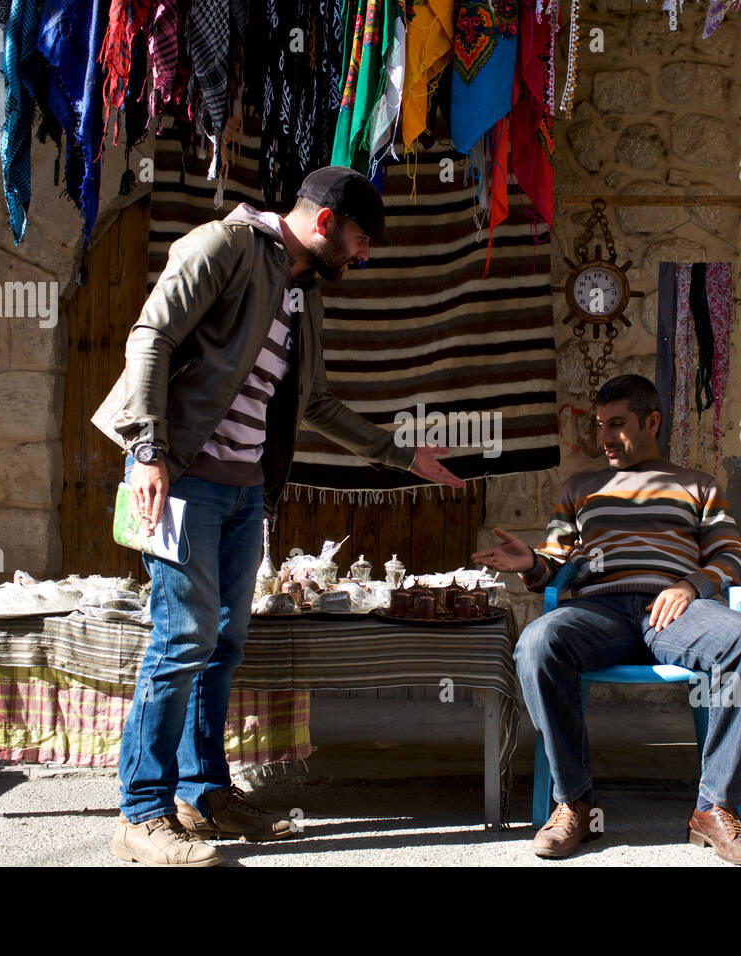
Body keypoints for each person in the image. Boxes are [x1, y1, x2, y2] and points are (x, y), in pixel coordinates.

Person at [94, 165, 464, 867]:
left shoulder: (301, 295)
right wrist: (146, 449)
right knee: (182, 639)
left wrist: (402, 457)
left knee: (225, 641)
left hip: (242, 493)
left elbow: (315, 404)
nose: (364, 255)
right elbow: (151, 337)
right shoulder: (221, 245)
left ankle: (203, 795)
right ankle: (140, 813)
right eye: (360, 239)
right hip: (180, 480)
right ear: (324, 222)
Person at [471, 373, 741, 864]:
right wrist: (531, 562)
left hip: (678, 610)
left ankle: (714, 808)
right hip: (600, 612)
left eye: (617, 424)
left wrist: (690, 584)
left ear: (651, 421)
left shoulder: (697, 485)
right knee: (536, 642)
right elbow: (557, 563)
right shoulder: (580, 489)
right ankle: (574, 801)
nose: (605, 438)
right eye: (599, 426)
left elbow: (733, 558)